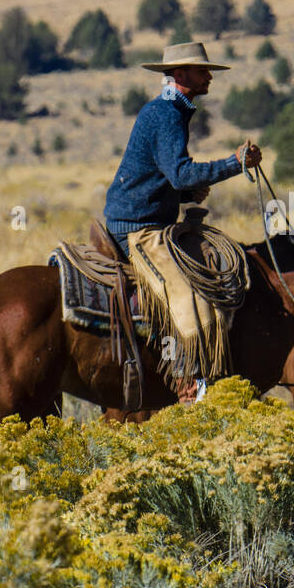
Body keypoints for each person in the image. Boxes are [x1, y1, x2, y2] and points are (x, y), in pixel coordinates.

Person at [103, 41, 261, 401]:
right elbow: (180, 174)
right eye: (202, 70)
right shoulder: (165, 115)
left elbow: (164, 176)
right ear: (180, 74)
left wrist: (185, 195)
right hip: (137, 228)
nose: (209, 76)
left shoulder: (169, 112)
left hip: (145, 217)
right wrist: (234, 163)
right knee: (190, 295)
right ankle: (189, 381)